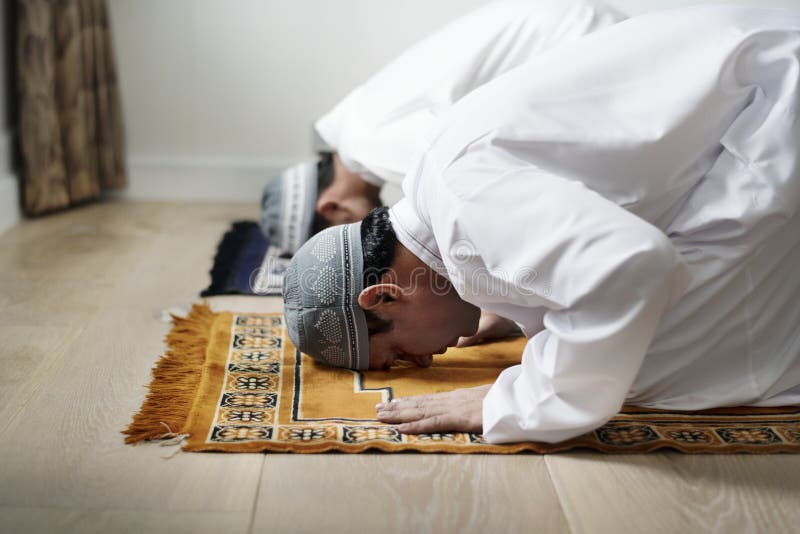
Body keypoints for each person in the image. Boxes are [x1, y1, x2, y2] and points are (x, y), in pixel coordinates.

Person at [282, 4, 800, 444]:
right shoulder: (433, 185)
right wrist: (514, 304)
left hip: (777, 96)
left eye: (396, 354)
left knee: (643, 368)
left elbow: (630, 265)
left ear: (384, 296)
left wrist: (519, 399)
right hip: (760, 93)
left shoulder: (463, 205)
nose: (421, 363)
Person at [260, 0, 626, 254]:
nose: (367, 234)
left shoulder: (371, 143)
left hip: (580, 43)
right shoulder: (357, 121)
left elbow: (474, 185)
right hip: (574, 25)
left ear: (331, 207)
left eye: (349, 233)